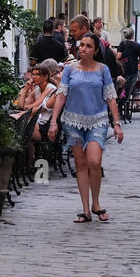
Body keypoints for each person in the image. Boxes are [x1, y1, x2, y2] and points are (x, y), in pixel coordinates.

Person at [49, 34, 123, 222]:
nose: (83, 48)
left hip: (97, 121)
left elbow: (110, 97)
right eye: (81, 45)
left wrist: (116, 123)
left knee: (94, 162)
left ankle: (95, 202)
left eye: (88, 46)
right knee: (81, 165)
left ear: (95, 50)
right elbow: (61, 95)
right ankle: (85, 209)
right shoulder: (69, 70)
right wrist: (53, 121)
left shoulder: (103, 70)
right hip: (72, 121)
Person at [117, 28, 140, 101]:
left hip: (124, 70)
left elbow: (118, 56)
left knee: (122, 87)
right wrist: (136, 63)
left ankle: (121, 102)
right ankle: (126, 100)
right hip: (134, 70)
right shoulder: (137, 45)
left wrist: (119, 63)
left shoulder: (122, 44)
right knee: (131, 88)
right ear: (133, 35)